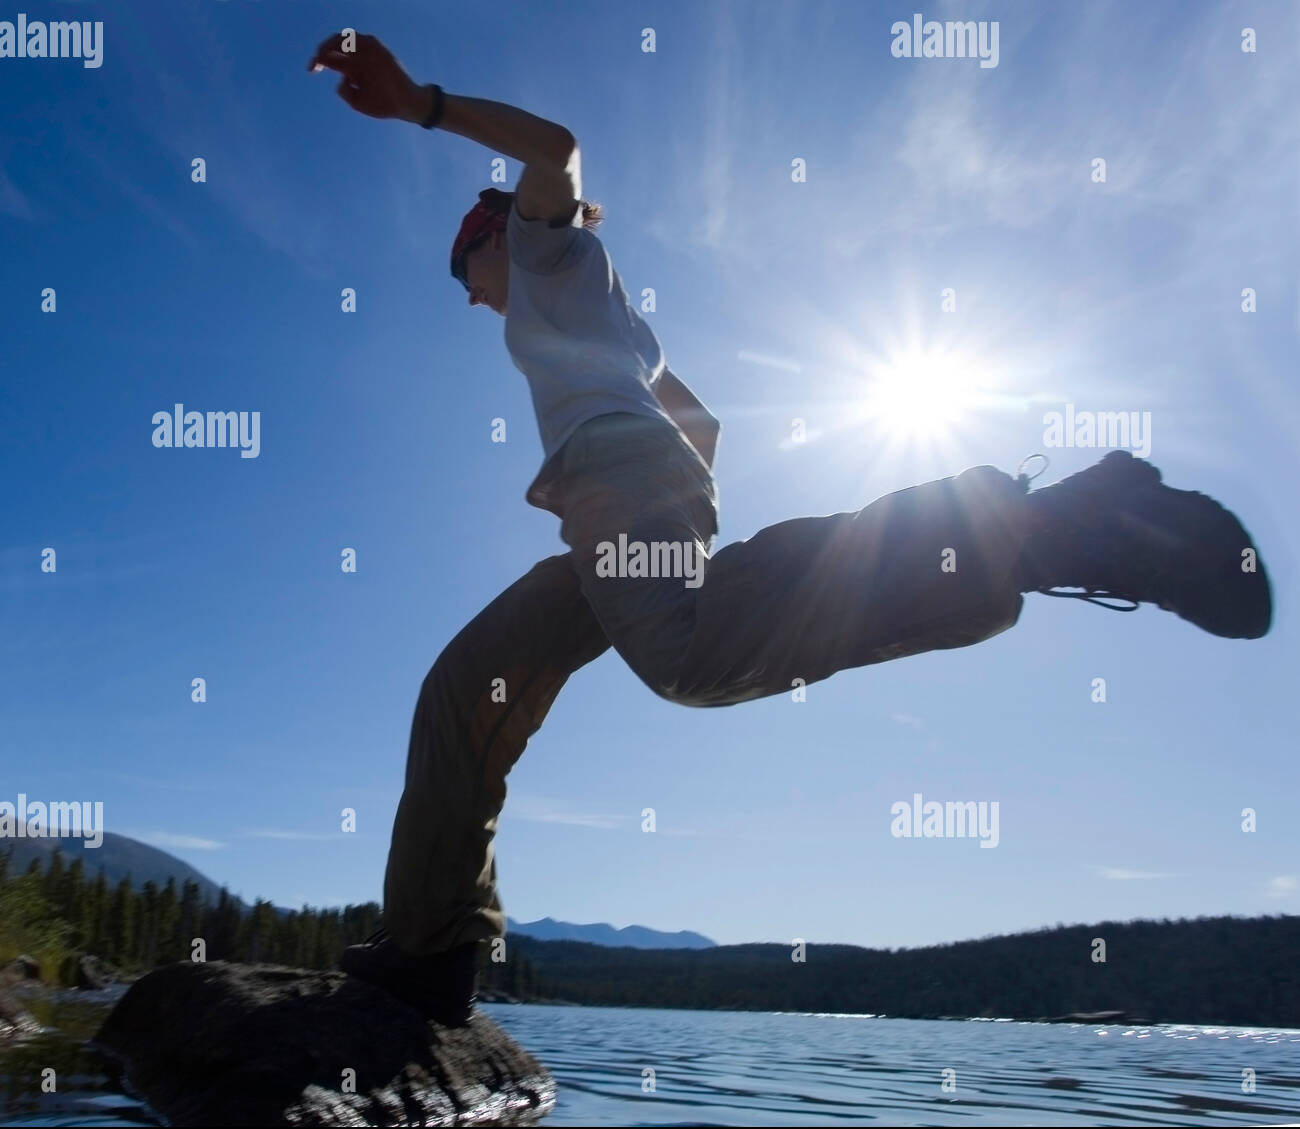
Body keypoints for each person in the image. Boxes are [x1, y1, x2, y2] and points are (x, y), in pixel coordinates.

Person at [309, 33, 1272, 1026]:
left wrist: (418, 102)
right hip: (619, 504)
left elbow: (555, 147)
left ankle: (1038, 530)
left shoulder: (548, 248)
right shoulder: (618, 326)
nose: (466, 292)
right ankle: (429, 946)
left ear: (492, 233)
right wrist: (678, 528)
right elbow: (702, 428)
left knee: (687, 660)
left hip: (616, 490)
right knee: (471, 681)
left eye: (461, 264)